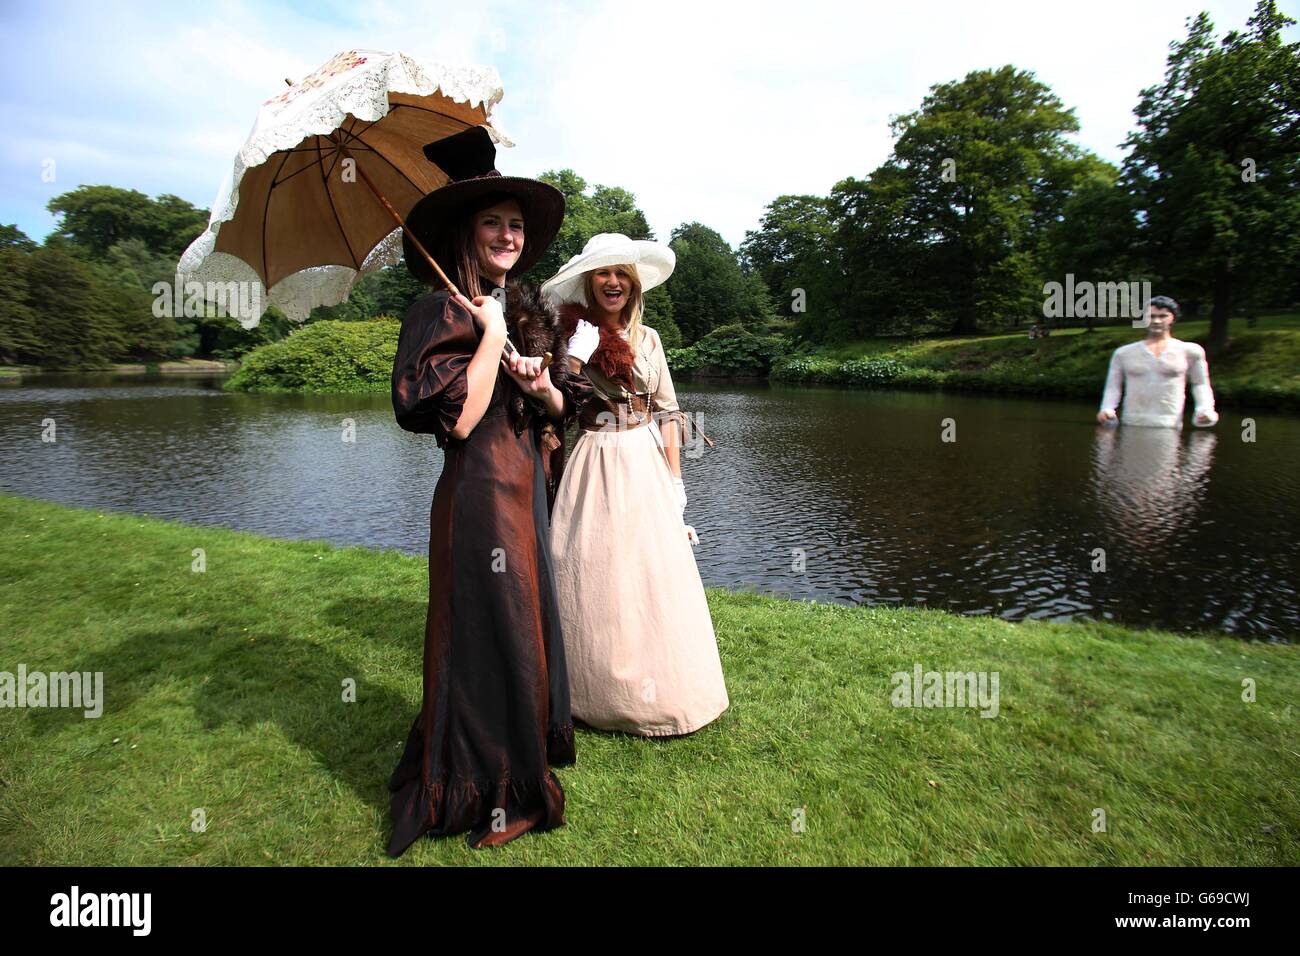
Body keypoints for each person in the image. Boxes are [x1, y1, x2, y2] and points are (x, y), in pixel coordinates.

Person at [387, 125, 587, 855]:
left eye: (514, 224)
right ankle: (497, 789)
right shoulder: (439, 312)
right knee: (492, 626)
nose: (507, 234)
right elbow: (462, 419)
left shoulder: (528, 310)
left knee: (523, 621)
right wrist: (487, 332)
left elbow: (569, 409)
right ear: (466, 234)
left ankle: (509, 758)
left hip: (525, 481)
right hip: (479, 493)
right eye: (492, 223)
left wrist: (539, 389)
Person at [540, 233, 729, 738]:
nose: (613, 281)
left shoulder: (650, 340)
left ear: (634, 283)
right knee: (594, 572)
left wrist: (676, 482)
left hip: (644, 457)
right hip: (596, 457)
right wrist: (574, 360)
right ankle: (590, 691)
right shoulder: (570, 336)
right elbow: (555, 401)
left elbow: (668, 413)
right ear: (588, 281)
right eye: (603, 272)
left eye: (622, 272)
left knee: (651, 575)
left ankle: (664, 692)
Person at [1097, 295, 1219, 428]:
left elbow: (1200, 384)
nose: (1156, 321)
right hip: (1132, 423)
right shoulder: (1124, 353)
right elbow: (1113, 386)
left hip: (1170, 424)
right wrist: (1107, 409)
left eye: (1163, 316)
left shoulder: (1189, 351)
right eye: (1151, 316)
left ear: (1173, 318)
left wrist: (1204, 409)